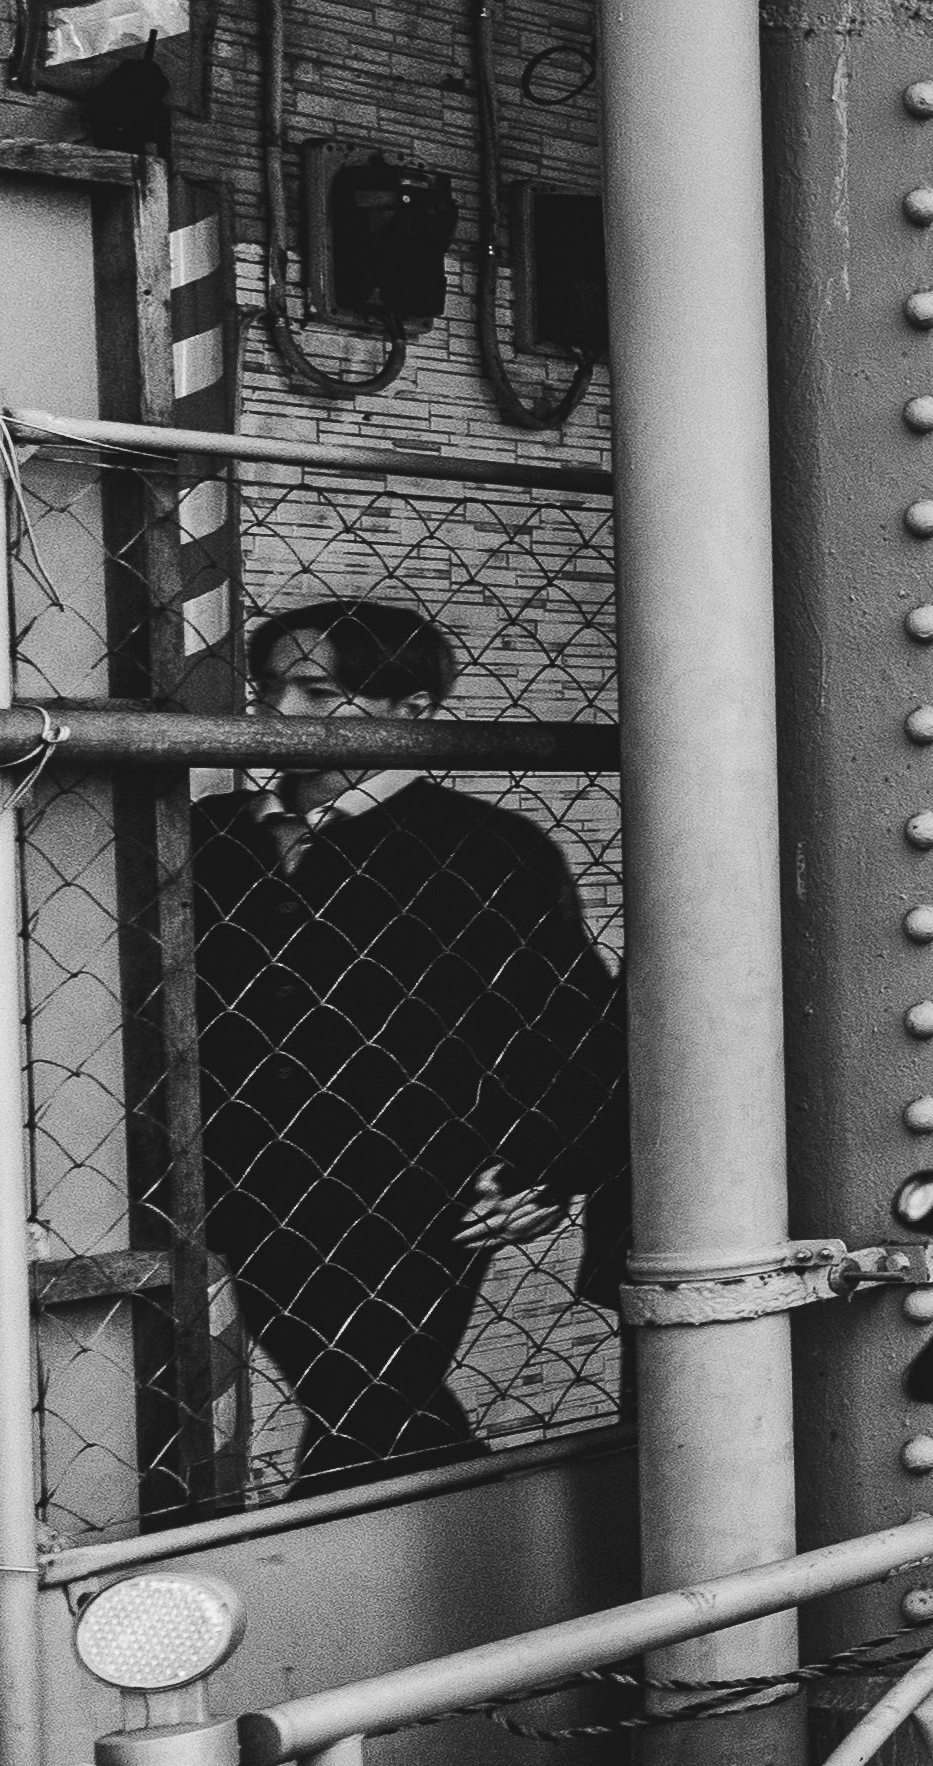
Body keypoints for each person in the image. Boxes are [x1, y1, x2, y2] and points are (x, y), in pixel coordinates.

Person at [193, 600, 619, 1476]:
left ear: (410, 713)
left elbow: (570, 1022)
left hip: (420, 1187)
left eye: (317, 692)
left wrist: (548, 1161)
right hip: (245, 1177)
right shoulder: (208, 839)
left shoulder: (486, 849)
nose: (280, 714)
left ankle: (351, 1570)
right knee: (364, 1399)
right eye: (268, 690)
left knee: (370, 1394)